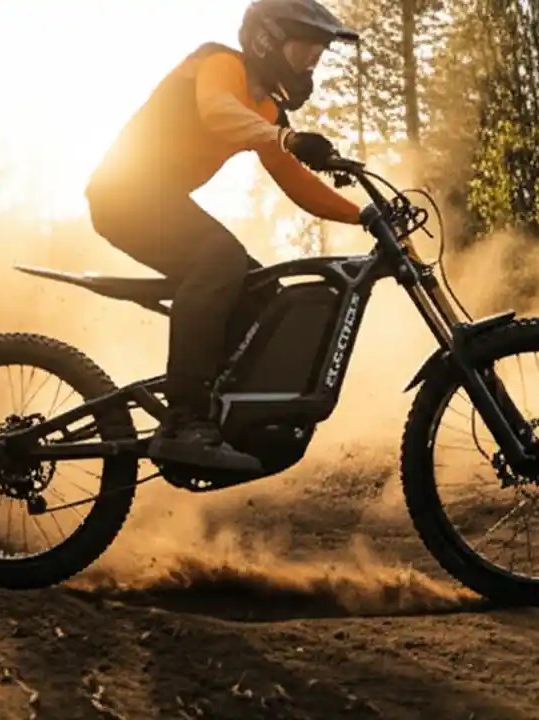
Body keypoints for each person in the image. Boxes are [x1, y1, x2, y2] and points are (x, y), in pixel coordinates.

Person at [84, 0, 362, 472]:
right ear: (267, 41)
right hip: (123, 193)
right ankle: (185, 420)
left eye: (319, 54)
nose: (312, 62)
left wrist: (365, 216)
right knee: (220, 259)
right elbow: (216, 112)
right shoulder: (218, 64)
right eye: (305, 50)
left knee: (263, 295)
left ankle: (224, 413)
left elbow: (298, 185)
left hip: (157, 200)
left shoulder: (267, 111)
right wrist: (287, 140)